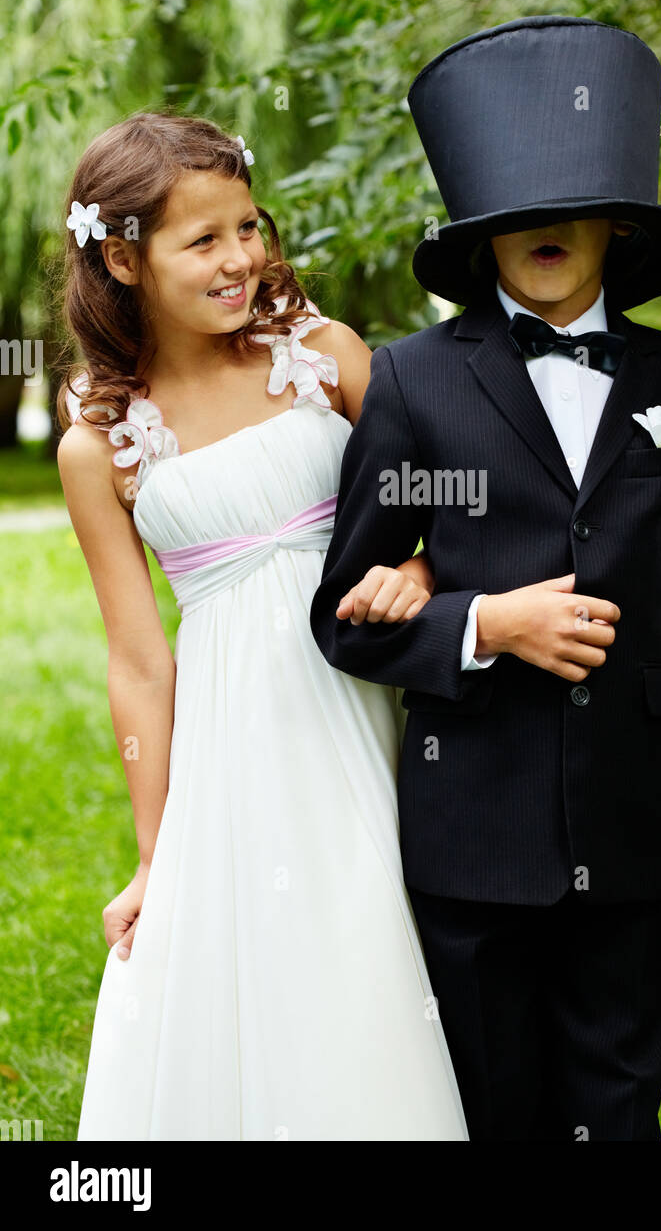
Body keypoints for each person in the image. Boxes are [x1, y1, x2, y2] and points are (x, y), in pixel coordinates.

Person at [309, 16, 661, 1142]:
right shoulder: (415, 383)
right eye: (512, 212)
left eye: (568, 204)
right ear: (478, 239)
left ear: (617, 224)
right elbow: (342, 615)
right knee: (492, 1102)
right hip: (473, 829)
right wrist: (481, 620)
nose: (542, 230)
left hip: (627, 825)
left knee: (617, 1097)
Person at [57, 111, 468, 1140]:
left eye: (249, 226)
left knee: (382, 927)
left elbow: (453, 506)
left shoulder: (324, 357)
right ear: (122, 257)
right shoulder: (100, 441)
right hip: (235, 741)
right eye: (203, 241)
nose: (241, 258)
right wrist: (157, 851)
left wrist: (417, 566)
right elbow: (139, 658)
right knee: (262, 949)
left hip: (369, 686)